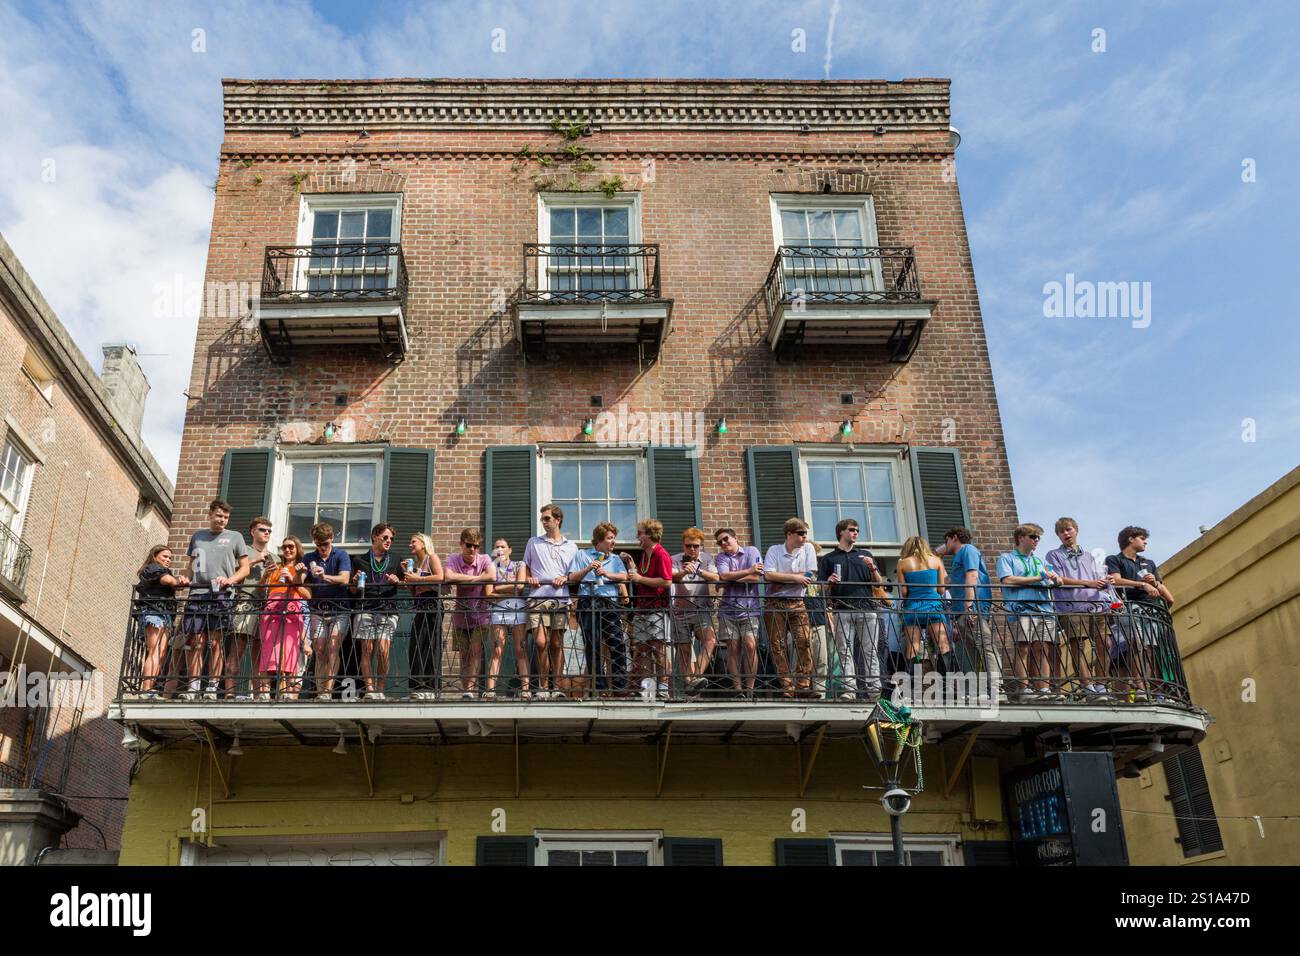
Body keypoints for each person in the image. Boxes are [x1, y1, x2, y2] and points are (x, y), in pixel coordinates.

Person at [178, 499, 251, 700]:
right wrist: (185, 578)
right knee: (197, 642)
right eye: (219, 516)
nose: (222, 520)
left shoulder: (235, 537)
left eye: (226, 517)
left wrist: (229, 580)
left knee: (216, 642)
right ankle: (193, 687)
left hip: (221, 594)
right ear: (210, 515)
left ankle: (211, 686)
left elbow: (245, 568)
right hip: (197, 594)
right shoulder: (197, 537)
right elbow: (191, 566)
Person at [1106, 526, 1176, 702]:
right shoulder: (1115, 559)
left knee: (1150, 650)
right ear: (1131, 539)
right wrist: (1141, 585)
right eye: (1142, 538)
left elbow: (1168, 597)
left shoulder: (1148, 563)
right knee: (1136, 645)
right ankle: (1139, 689)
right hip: (1129, 609)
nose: (1145, 542)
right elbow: (1115, 580)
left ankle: (1151, 690)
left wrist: (1155, 583)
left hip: (1150, 611)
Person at [1045, 518, 1112, 700]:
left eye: (1068, 530)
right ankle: (1087, 686)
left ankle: (1101, 686)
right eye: (1061, 532)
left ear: (1076, 530)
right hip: (1071, 606)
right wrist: (1088, 583)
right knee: (1078, 645)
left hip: (1097, 605)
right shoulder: (1053, 555)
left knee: (1105, 643)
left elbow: (1098, 577)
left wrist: (1106, 582)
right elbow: (1058, 578)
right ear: (1058, 536)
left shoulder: (1089, 555)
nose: (1066, 534)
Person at [818, 518, 885, 701]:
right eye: (852, 530)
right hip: (842, 609)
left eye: (857, 530)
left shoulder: (864, 555)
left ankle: (874, 690)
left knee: (869, 650)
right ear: (841, 532)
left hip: (866, 609)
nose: (856, 533)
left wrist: (872, 568)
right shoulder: (829, 558)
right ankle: (849, 690)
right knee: (844, 651)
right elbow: (820, 589)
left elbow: (878, 583)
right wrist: (828, 583)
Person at [996, 523, 1063, 700]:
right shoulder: (1006, 558)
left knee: (1043, 649)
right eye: (1033, 537)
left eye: (1038, 537)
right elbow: (1008, 580)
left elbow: (1056, 581)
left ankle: (1044, 691)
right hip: (1022, 609)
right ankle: (1024, 691)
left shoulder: (1039, 560)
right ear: (1021, 538)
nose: (1037, 540)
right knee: (1023, 649)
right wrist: (1038, 578)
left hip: (1044, 609)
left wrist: (1057, 580)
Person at [523, 504, 579, 699]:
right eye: (542, 519)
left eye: (547, 518)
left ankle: (556, 687)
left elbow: (574, 574)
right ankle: (543, 686)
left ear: (558, 520)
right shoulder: (534, 542)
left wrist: (565, 578)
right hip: (537, 599)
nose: (544, 522)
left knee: (556, 643)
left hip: (560, 599)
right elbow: (526, 567)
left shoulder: (571, 547)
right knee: (540, 642)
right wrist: (530, 578)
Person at [568, 522, 630, 695]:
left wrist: (607, 574)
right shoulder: (582, 555)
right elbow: (572, 577)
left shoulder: (615, 559)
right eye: (610, 538)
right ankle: (599, 687)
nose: (613, 542)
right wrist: (589, 568)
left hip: (609, 603)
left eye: (613, 538)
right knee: (592, 645)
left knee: (617, 643)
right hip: (588, 602)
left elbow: (624, 576)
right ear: (599, 541)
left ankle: (619, 685)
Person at [936, 527, 1000, 697]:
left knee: (985, 646)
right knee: (972, 651)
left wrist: (969, 606)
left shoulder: (968, 550)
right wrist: (937, 556)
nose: (945, 545)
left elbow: (972, 576)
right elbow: (947, 582)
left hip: (971, 609)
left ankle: (994, 687)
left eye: (947, 541)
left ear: (954, 538)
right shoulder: (959, 556)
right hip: (960, 612)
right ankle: (982, 689)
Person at [761, 517, 819, 699]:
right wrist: (795, 578)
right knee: (777, 645)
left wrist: (783, 577)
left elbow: (811, 574)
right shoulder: (774, 550)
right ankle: (787, 686)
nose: (804, 538)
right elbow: (769, 575)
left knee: (805, 642)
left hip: (797, 603)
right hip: (774, 604)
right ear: (789, 534)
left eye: (805, 534)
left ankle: (803, 685)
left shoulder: (808, 548)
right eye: (801, 534)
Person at [621, 519, 674, 699]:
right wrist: (630, 564)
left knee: (658, 649)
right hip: (642, 609)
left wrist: (640, 579)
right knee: (642, 649)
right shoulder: (645, 555)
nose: (638, 537)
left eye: (640, 533)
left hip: (657, 610)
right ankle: (647, 688)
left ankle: (663, 688)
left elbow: (667, 581)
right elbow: (640, 576)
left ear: (650, 534)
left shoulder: (661, 554)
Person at [227, 517, 277, 701]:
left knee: (260, 654)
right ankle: (230, 693)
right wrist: (256, 561)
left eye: (269, 531)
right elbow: (230, 572)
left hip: (266, 607)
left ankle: (260, 695)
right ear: (252, 531)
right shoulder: (244, 551)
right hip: (245, 603)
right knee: (237, 649)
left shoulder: (276, 557)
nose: (267, 533)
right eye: (263, 529)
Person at [350, 523, 402, 700]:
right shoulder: (359, 560)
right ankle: (370, 689)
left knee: (383, 649)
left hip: (388, 609)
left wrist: (398, 580)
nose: (389, 541)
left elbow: (407, 582)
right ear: (374, 536)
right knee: (367, 649)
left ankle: (380, 688)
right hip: (365, 607)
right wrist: (354, 582)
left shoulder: (395, 559)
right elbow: (352, 591)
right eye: (385, 537)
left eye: (391, 539)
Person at [256, 536, 311, 699]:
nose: (287, 549)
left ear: (298, 549)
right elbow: (261, 589)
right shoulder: (275, 567)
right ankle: (264, 693)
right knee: (268, 652)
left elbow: (307, 595)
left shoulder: (301, 568)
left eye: (291, 547)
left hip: (292, 610)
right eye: (285, 547)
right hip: (272, 608)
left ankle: (287, 693)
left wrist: (293, 579)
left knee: (289, 652)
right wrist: (265, 575)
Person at [444, 528, 495, 699]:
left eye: (476, 546)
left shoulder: (485, 558)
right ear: (461, 544)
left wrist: (468, 578)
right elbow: (449, 577)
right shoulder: (453, 558)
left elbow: (492, 576)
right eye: (469, 545)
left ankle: (471, 690)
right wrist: (476, 578)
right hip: (460, 616)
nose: (472, 549)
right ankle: (466, 689)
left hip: (481, 614)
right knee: (464, 653)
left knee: (475, 650)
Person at [713, 528, 763, 699]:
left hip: (749, 608)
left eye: (725, 539)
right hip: (727, 610)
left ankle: (750, 689)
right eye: (719, 542)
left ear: (735, 537)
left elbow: (756, 578)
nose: (723, 543)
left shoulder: (751, 551)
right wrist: (748, 571)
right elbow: (724, 574)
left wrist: (728, 581)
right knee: (733, 649)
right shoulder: (721, 557)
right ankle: (738, 690)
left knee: (750, 645)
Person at [305, 522, 352, 701]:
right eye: (319, 544)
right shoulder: (309, 557)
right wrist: (300, 572)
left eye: (325, 544)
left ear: (331, 539)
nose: (322, 548)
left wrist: (324, 576)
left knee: (333, 647)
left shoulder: (341, 554)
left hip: (340, 609)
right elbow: (299, 579)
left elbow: (345, 578)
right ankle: (320, 691)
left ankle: (327, 692)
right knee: (319, 649)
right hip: (318, 609)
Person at [134, 545, 189, 698]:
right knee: (154, 651)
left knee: (161, 653)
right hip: (154, 612)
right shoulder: (152, 569)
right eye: (165, 556)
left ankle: (150, 688)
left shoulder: (159, 570)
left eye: (170, 558)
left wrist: (179, 581)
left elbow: (173, 584)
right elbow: (167, 580)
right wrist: (178, 581)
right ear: (154, 556)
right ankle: (146, 689)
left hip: (163, 614)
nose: (168, 560)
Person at [897, 535, 954, 679]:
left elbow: (903, 592)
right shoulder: (936, 561)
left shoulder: (902, 563)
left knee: (913, 648)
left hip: (912, 609)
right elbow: (941, 590)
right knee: (943, 645)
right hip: (933, 607)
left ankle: (911, 686)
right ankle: (949, 684)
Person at [670, 527, 719, 692]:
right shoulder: (675, 559)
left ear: (701, 546)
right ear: (683, 546)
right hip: (680, 610)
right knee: (683, 648)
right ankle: (688, 683)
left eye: (696, 546)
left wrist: (699, 569)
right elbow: (670, 577)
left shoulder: (707, 559)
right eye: (688, 545)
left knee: (710, 640)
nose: (692, 549)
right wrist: (684, 570)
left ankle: (696, 677)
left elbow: (716, 577)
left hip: (701, 609)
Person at [404, 533, 444, 699]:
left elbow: (440, 577)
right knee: (417, 645)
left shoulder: (431, 557)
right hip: (420, 605)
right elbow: (414, 592)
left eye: (413, 541)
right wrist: (408, 578)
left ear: (423, 543)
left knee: (430, 644)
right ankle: (417, 687)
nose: (410, 545)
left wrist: (417, 577)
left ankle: (430, 688)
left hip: (432, 604)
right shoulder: (417, 564)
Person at [487, 538, 528, 698]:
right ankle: (490, 691)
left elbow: (521, 586)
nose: (499, 550)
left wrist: (499, 588)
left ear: (509, 550)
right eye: (496, 547)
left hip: (518, 609)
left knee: (521, 650)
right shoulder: (491, 567)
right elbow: (488, 593)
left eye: (502, 547)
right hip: (498, 610)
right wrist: (511, 587)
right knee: (497, 650)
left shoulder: (520, 565)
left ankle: (526, 690)